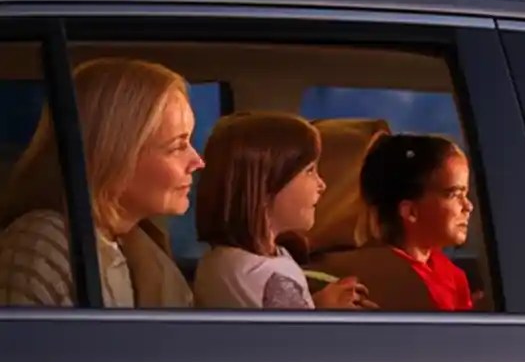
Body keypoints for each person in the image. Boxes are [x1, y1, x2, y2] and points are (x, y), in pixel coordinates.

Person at [0, 58, 203, 308]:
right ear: (116, 154)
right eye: (177, 146)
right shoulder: (42, 247)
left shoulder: (138, 248)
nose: (197, 161)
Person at [192, 112, 373, 310]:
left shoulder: (222, 261)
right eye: (310, 171)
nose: (321, 184)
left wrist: (318, 305)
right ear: (267, 184)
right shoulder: (268, 276)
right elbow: (300, 339)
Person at [357, 133, 478, 312]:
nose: (468, 206)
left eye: (465, 194)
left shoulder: (448, 272)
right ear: (410, 211)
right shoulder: (390, 281)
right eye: (453, 194)